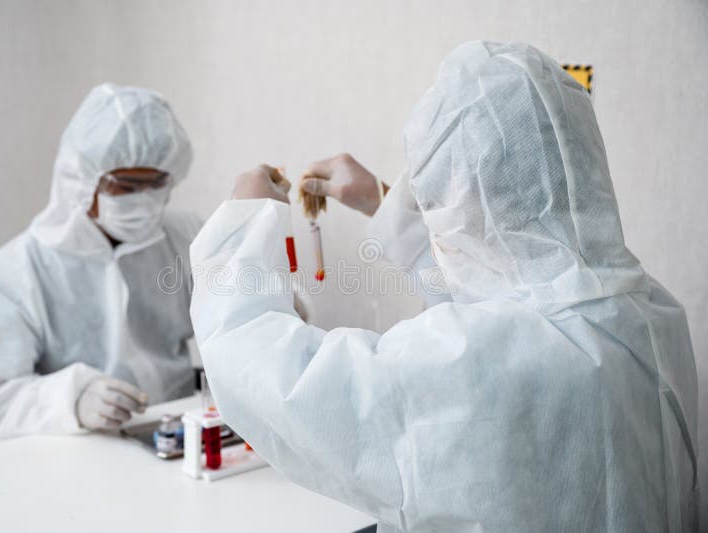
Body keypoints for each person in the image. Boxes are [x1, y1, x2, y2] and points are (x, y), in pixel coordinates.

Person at [189, 42, 699, 532]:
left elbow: (258, 362)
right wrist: (383, 203)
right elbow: (494, 293)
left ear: (470, 196)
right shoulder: (647, 309)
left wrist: (246, 221)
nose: (435, 219)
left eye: (435, 200)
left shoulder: (483, 360)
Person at [0, 83, 201, 442]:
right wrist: (70, 399)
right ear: (80, 179)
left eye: (157, 184)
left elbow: (232, 307)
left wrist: (270, 299)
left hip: (175, 435)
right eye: (126, 186)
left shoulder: (183, 237)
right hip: (70, 446)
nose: (143, 201)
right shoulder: (17, 271)